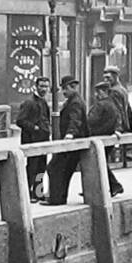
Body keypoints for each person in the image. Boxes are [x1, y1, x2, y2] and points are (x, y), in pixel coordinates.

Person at [46, 77, 89, 205]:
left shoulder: (74, 102)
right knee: (62, 170)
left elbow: (75, 120)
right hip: (75, 142)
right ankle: (57, 197)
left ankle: (55, 199)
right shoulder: (74, 100)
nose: (63, 92)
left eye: (65, 88)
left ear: (72, 87)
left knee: (55, 167)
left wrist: (70, 134)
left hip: (72, 143)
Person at [15, 77, 51, 202]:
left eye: (46, 86)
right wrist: (34, 128)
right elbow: (20, 121)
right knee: (32, 167)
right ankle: (27, 193)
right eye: (41, 86)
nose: (44, 89)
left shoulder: (44, 102)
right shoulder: (29, 102)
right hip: (32, 140)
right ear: (36, 86)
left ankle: (38, 193)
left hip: (42, 140)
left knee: (41, 167)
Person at [88, 82, 125, 196]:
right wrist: (117, 131)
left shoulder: (100, 105)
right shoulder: (113, 104)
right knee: (101, 163)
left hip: (98, 138)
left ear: (104, 92)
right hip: (109, 138)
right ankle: (108, 187)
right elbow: (119, 118)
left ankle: (113, 186)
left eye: (98, 92)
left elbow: (91, 121)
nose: (96, 95)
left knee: (97, 163)